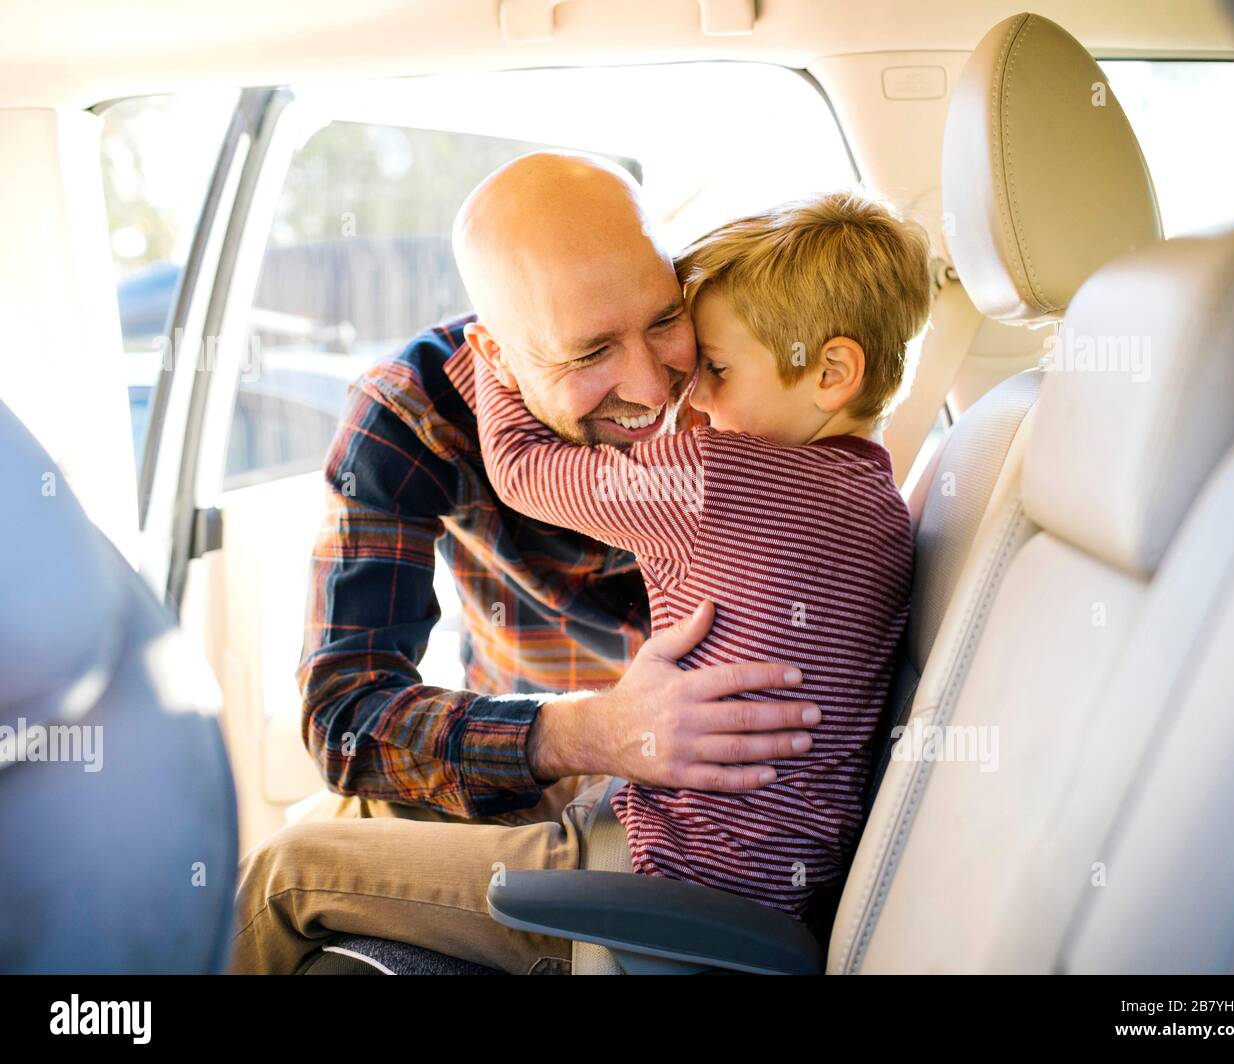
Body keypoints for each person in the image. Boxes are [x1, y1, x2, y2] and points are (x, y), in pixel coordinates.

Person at [227, 153, 819, 975]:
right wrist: (594, 732)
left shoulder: (740, 374)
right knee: (329, 815)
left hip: (686, 798)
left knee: (278, 883)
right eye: (589, 355)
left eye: (662, 320)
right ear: (497, 361)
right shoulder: (411, 414)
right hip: (530, 749)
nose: (653, 388)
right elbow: (344, 713)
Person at [460, 190, 930, 918]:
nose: (690, 401)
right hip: (775, 879)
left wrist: (498, 359)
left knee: (289, 875)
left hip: (675, 874)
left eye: (717, 369)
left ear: (832, 372)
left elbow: (522, 468)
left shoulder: (723, 476)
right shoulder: (873, 498)